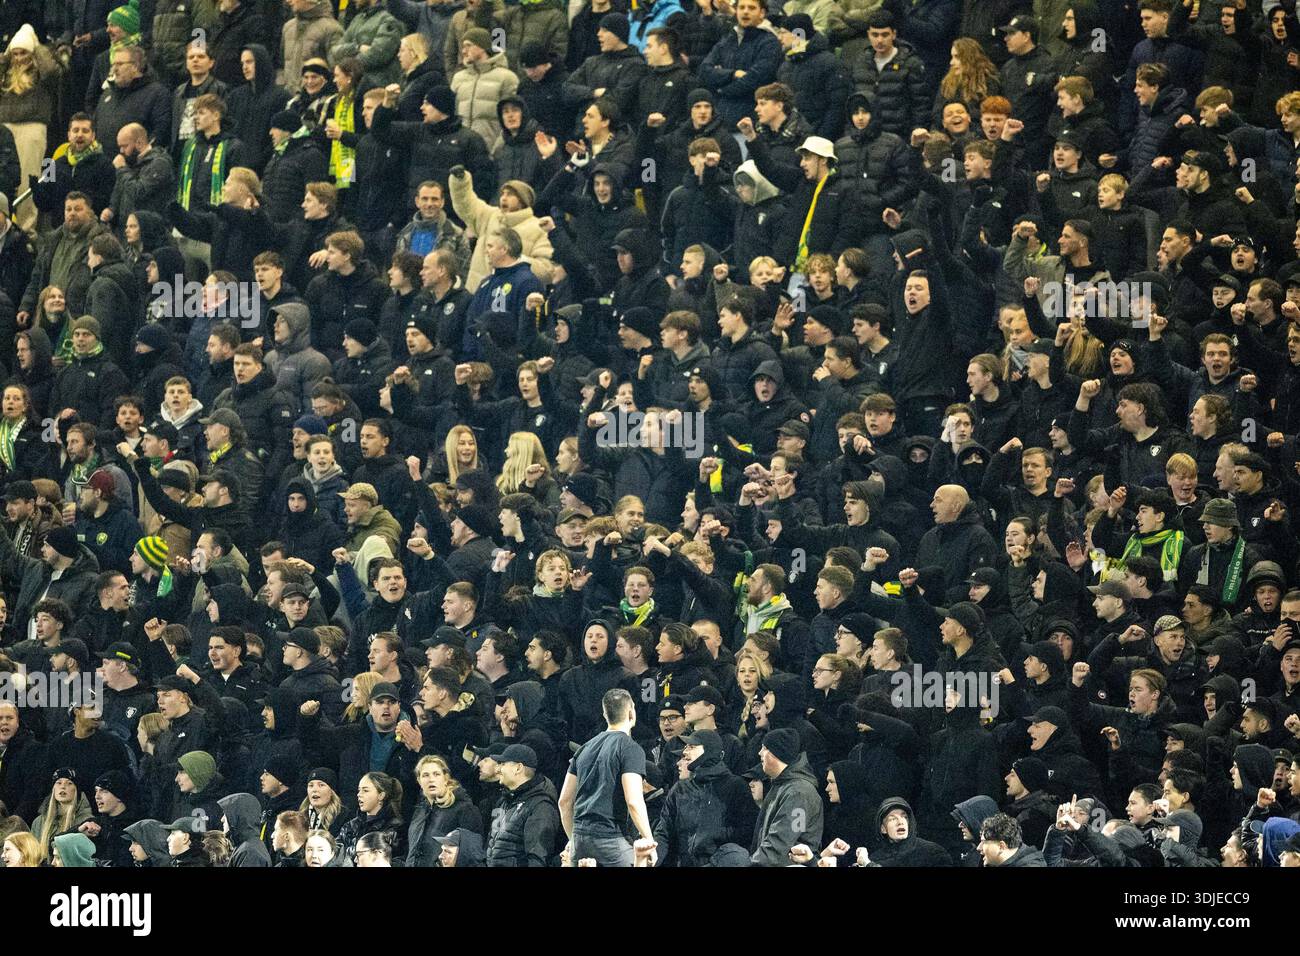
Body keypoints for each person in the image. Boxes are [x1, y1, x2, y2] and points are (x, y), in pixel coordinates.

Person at [558, 687, 656, 866]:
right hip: (610, 839)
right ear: (631, 713)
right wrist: (649, 840)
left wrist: (574, 839)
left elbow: (564, 802)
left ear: (605, 715)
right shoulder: (630, 748)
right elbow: (633, 801)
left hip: (580, 838)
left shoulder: (584, 748)